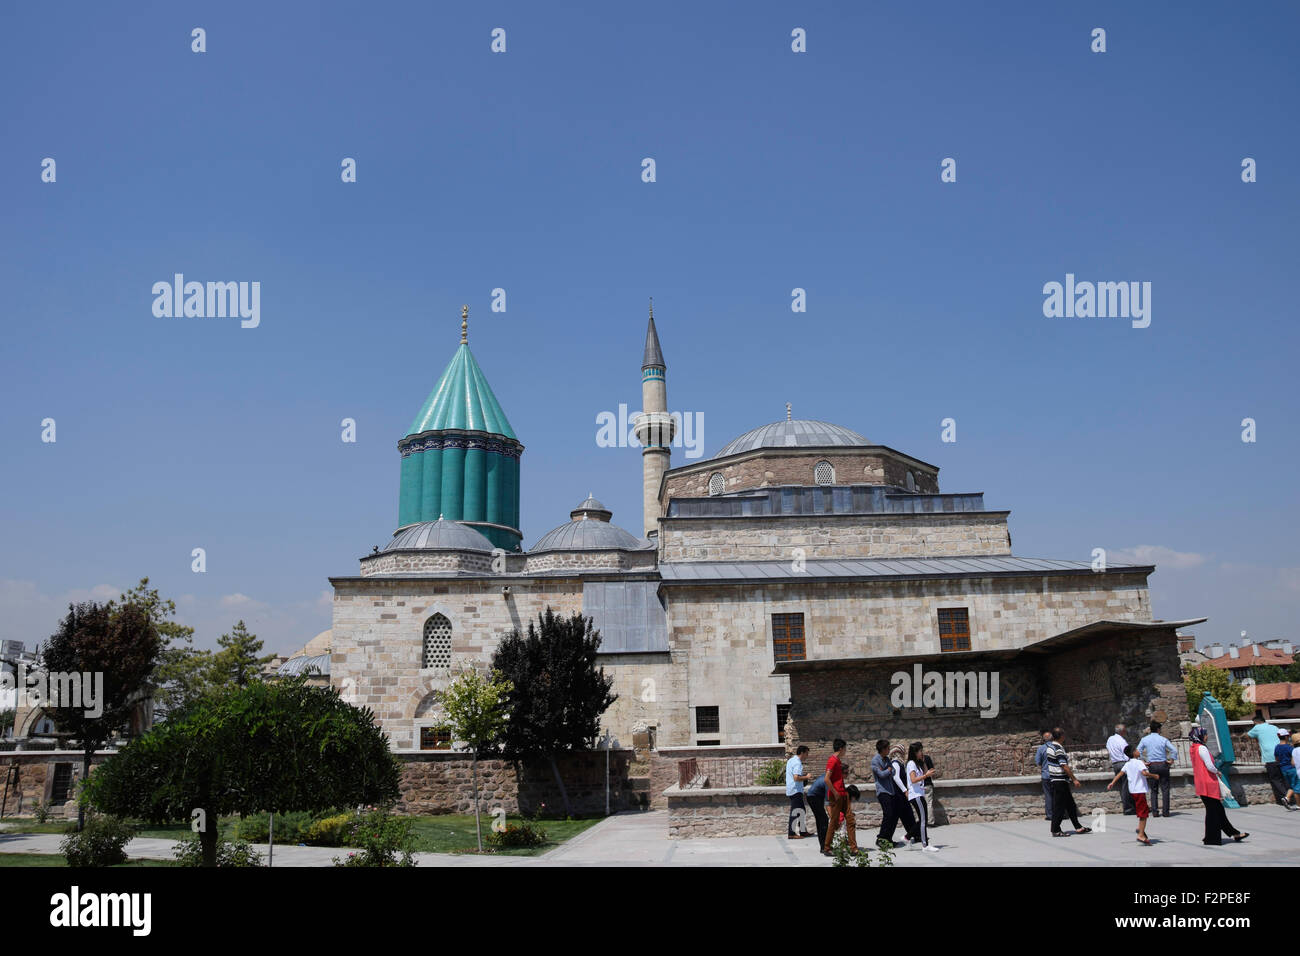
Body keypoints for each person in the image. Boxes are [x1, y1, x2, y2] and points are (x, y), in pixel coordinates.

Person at [1189, 725, 1249, 845]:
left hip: (1201, 782)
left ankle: (1234, 833)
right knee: (1214, 811)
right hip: (1208, 782)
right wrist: (1217, 771)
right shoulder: (1202, 748)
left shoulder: (1194, 748)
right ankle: (1212, 838)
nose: (1206, 736)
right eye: (1205, 734)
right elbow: (1209, 765)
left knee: (1217, 810)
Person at [1045, 727, 1092, 837]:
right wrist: (1074, 779)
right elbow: (1064, 766)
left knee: (1070, 805)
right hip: (1060, 780)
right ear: (1061, 736)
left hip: (1057, 780)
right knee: (1059, 807)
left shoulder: (1050, 747)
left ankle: (1078, 827)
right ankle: (1055, 830)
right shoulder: (1058, 748)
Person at [1107, 744, 1158, 845]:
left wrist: (1112, 782)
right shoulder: (1139, 762)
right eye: (1137, 750)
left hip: (1133, 791)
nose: (1139, 751)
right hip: (1139, 790)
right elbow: (1144, 773)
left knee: (1142, 810)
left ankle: (1140, 828)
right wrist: (1154, 775)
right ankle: (1141, 834)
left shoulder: (1128, 763)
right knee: (1144, 814)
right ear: (1134, 753)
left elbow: (1120, 774)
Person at [1137, 720, 1177, 817]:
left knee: (1154, 789)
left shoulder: (1145, 739)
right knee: (1165, 789)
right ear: (1158, 729)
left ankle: (1155, 812)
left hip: (1152, 765)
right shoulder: (1163, 739)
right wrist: (1171, 760)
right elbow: (1174, 750)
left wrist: (1143, 760)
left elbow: (1138, 751)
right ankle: (1166, 812)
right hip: (1163, 764)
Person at [1248, 713, 1290, 806]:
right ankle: (1287, 797)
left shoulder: (1257, 727)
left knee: (1275, 779)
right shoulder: (1274, 727)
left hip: (1270, 756)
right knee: (1284, 777)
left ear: (1256, 722)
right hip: (1280, 754)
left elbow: (1248, 735)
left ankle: (1285, 797)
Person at [823, 739, 854, 855]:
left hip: (842, 794)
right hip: (836, 796)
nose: (846, 751)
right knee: (834, 821)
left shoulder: (838, 761)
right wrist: (835, 792)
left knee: (850, 819)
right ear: (841, 748)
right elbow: (827, 779)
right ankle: (827, 847)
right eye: (845, 748)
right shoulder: (832, 760)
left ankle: (853, 847)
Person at [906, 741, 939, 852]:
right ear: (915, 752)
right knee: (923, 820)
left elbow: (926, 772)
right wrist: (926, 775)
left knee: (923, 819)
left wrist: (924, 762)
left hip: (920, 794)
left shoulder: (917, 764)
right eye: (920, 751)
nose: (922, 752)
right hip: (915, 795)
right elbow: (913, 779)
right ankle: (925, 845)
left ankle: (909, 837)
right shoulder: (911, 764)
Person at [888, 746, 921, 844]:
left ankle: (916, 835)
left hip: (901, 794)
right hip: (899, 794)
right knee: (896, 817)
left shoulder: (900, 763)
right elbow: (896, 778)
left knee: (908, 816)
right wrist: (905, 790)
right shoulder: (895, 763)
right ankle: (886, 838)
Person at [871, 738, 901, 848]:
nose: (889, 750)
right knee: (888, 814)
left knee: (894, 815)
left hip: (891, 791)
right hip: (883, 791)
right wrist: (887, 770)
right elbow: (881, 774)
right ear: (882, 749)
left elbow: (893, 771)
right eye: (887, 748)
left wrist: (887, 770)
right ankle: (881, 838)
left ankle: (888, 839)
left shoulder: (887, 759)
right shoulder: (875, 761)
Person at [1106, 723, 1135, 815]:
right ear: (1122, 731)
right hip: (1123, 763)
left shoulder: (1110, 739)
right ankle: (1128, 808)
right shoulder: (1122, 741)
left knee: (1123, 786)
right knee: (1126, 786)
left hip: (1115, 764)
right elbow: (1127, 753)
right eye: (1125, 730)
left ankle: (1130, 806)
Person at [785, 745, 814, 838]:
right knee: (796, 811)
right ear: (802, 753)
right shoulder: (798, 763)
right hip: (795, 790)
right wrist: (807, 777)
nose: (807, 756)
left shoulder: (791, 760)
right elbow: (796, 777)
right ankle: (792, 833)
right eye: (806, 753)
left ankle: (803, 831)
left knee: (801, 810)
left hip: (792, 789)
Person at [806, 771, 830, 850]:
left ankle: (824, 845)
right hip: (814, 798)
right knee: (823, 820)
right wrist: (832, 816)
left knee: (821, 820)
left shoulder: (827, 775)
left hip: (813, 797)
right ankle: (824, 846)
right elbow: (827, 801)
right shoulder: (828, 779)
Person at [1274, 730, 1298, 810]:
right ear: (1286, 737)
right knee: (1297, 785)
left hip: (1283, 769)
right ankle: (1289, 799)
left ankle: (1287, 798)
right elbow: (1294, 760)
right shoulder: (1289, 748)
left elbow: (1276, 759)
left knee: (1292, 785)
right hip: (1292, 769)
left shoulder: (1277, 747)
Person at [1034, 729, 1054, 821]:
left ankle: (1050, 815)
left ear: (1043, 739)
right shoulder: (1057, 747)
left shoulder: (1041, 748)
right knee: (1058, 795)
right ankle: (1061, 813)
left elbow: (1038, 762)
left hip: (1046, 775)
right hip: (1057, 775)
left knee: (1048, 795)